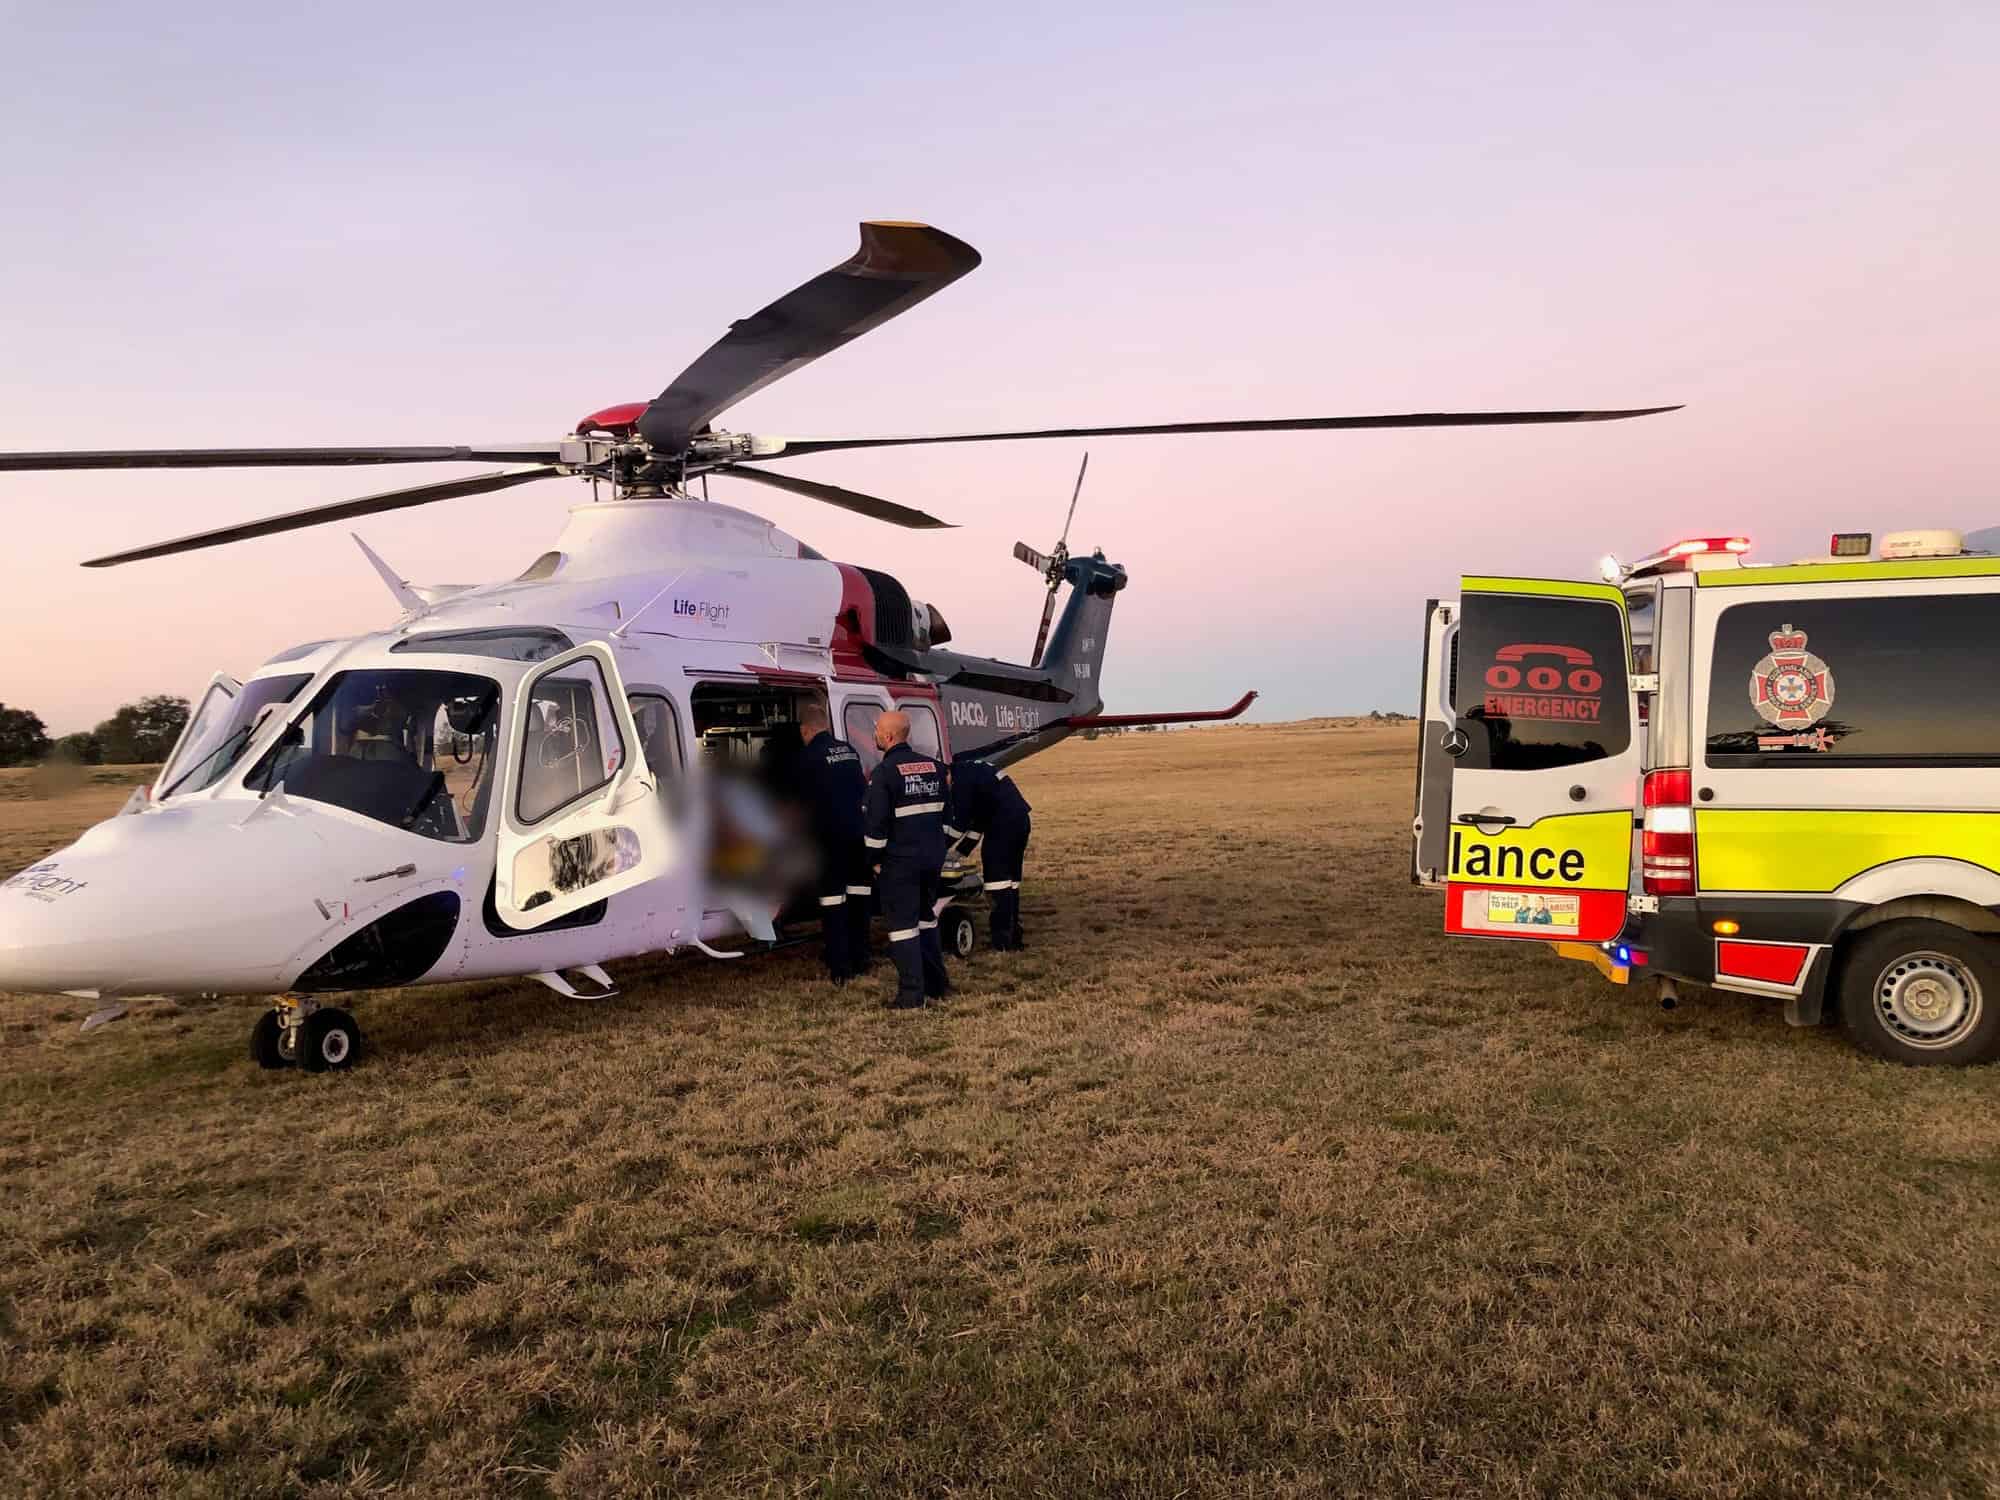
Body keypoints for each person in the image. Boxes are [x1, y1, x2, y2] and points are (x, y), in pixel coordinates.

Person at [862, 709, 951, 1009]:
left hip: (900, 863)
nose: (874, 734)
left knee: (902, 927)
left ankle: (912, 995)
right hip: (931, 859)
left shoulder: (884, 773)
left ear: (888, 737)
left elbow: (876, 826)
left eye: (876, 730)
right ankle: (937, 985)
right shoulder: (936, 768)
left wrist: (873, 860)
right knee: (926, 919)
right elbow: (948, 817)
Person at [794, 703, 872, 982]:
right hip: (859, 836)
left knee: (833, 902)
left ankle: (840, 967)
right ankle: (862, 957)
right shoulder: (849, 750)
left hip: (830, 840)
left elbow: (800, 803)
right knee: (860, 898)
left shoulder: (808, 756)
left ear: (805, 730)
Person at [945, 753, 1033, 950]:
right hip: (1020, 821)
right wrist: (959, 852)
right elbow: (978, 823)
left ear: (947, 774)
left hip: (1002, 827)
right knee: (1011, 883)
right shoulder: (973, 771)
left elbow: (958, 825)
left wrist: (935, 848)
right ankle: (1013, 937)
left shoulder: (961, 783)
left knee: (997, 883)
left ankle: (1001, 942)